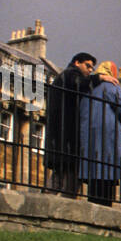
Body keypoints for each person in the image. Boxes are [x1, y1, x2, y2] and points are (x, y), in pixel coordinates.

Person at [78, 60, 121, 205]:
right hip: (108, 132)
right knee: (108, 167)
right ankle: (105, 203)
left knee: (94, 168)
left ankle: (93, 200)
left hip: (88, 133)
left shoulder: (88, 88)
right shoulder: (112, 86)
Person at [45, 52, 95, 196]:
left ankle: (52, 197)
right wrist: (98, 78)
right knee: (69, 174)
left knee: (61, 172)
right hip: (66, 135)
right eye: (88, 66)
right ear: (77, 63)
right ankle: (63, 199)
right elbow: (79, 84)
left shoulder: (65, 76)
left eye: (93, 68)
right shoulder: (70, 74)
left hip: (63, 136)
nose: (90, 70)